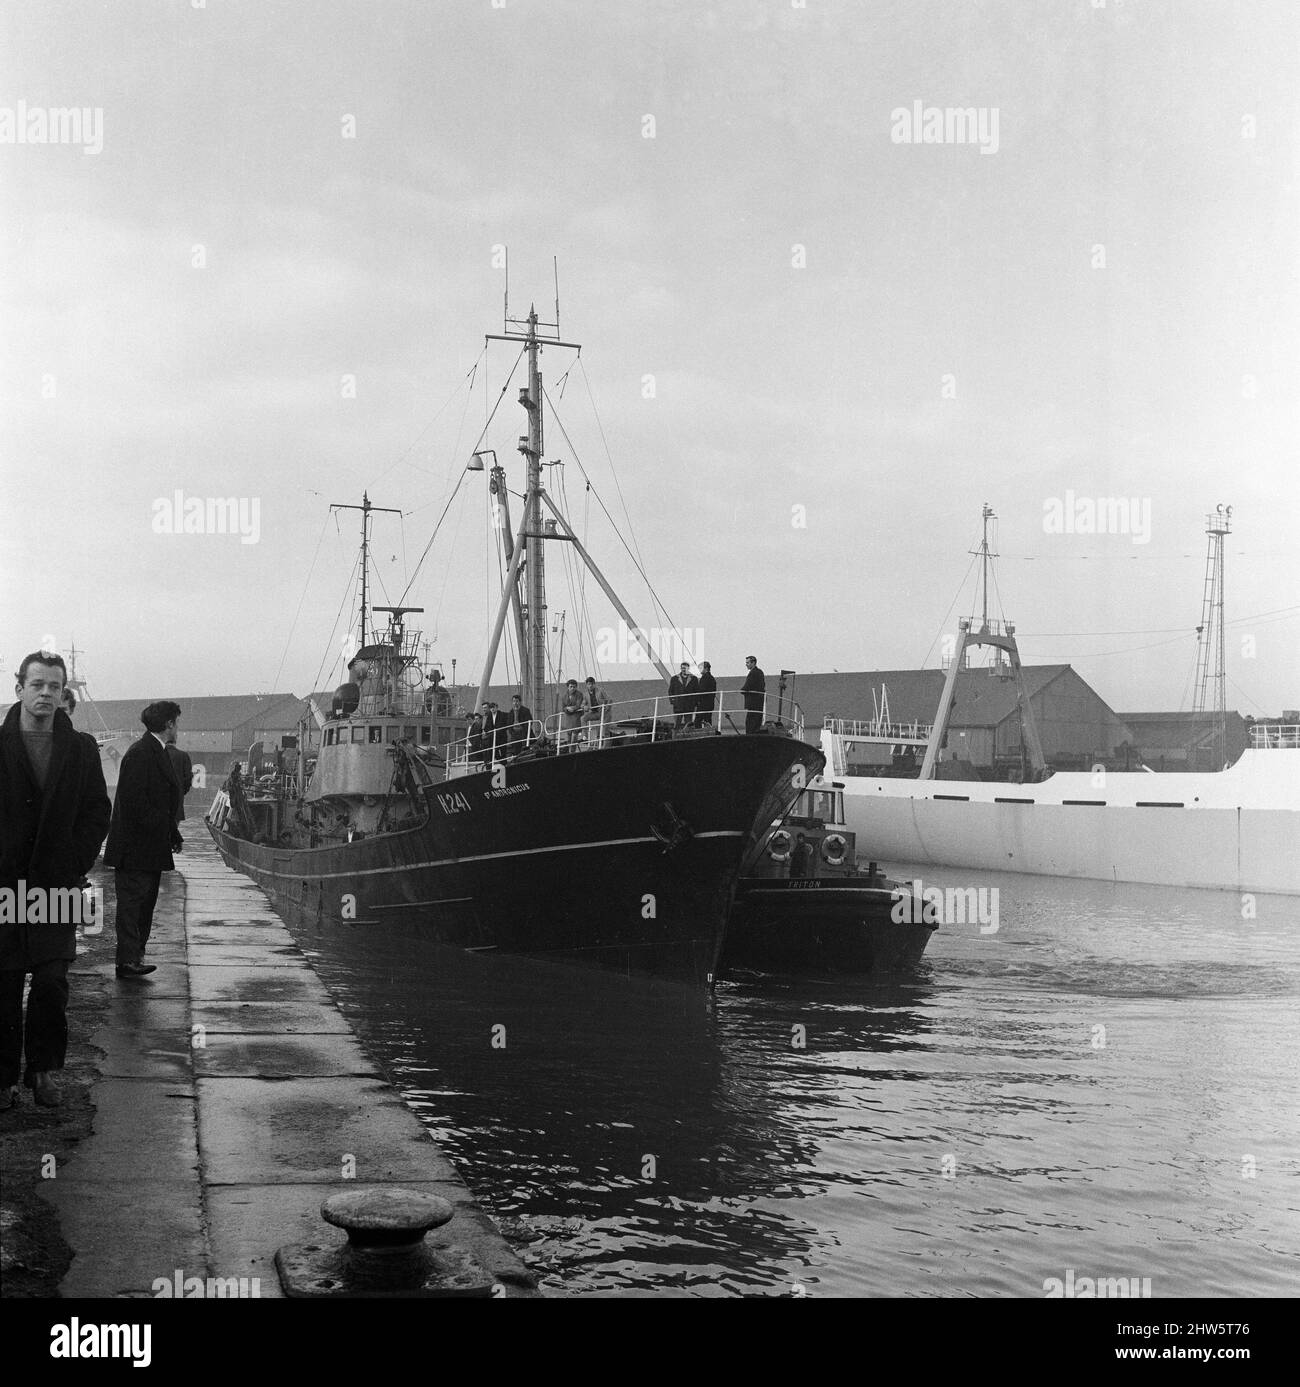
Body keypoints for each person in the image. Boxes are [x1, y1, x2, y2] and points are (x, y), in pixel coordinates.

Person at [1, 652, 111, 1109]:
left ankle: (43, 1070)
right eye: (37, 684)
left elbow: (96, 810)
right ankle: (3, 1078)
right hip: (4, 885)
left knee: (51, 982)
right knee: (4, 983)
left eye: (54, 686)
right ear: (19, 688)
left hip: (57, 885)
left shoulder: (81, 749)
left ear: (63, 693)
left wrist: (74, 861)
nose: (46, 693)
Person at [102, 702, 184, 980]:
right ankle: (127, 961)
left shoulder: (153, 751)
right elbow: (134, 802)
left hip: (148, 847)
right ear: (169, 724)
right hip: (135, 848)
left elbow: (160, 801)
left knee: (143, 905)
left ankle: (134, 956)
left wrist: (172, 833)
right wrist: (163, 829)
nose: (177, 728)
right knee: (132, 906)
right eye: (176, 723)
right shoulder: (140, 753)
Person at [166, 739, 194, 826]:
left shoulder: (154, 755)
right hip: (177, 800)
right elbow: (188, 778)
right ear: (175, 742)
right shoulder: (183, 756)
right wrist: (181, 791)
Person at [582, 677, 611, 746]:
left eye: (592, 684)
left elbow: (609, 699)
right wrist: (584, 707)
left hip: (604, 712)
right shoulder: (586, 694)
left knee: (604, 729)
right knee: (583, 718)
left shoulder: (600, 691)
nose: (590, 686)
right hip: (594, 713)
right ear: (586, 685)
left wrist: (607, 707)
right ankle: (585, 737)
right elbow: (583, 704)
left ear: (594, 684)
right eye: (588, 684)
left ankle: (606, 746)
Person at [668, 663, 698, 729]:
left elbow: (696, 691)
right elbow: (670, 691)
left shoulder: (694, 679)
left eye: (685, 668)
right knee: (677, 723)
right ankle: (675, 734)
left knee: (688, 723)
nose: (683, 670)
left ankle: (688, 734)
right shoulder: (674, 678)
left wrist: (695, 703)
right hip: (678, 705)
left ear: (688, 669)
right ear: (680, 668)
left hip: (689, 705)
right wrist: (673, 701)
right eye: (682, 668)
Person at [741, 655, 766, 734]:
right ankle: (755, 735)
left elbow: (748, 685)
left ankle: (750, 736)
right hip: (758, 702)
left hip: (753, 702)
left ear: (753, 663)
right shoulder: (760, 672)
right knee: (756, 721)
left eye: (748, 663)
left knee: (750, 722)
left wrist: (742, 690)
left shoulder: (753, 673)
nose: (746, 664)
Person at [560, 680, 584, 751]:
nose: (572, 688)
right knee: (569, 735)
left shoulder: (579, 694)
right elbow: (563, 707)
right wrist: (567, 708)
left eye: (574, 687)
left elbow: (578, 705)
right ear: (568, 687)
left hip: (576, 716)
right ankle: (568, 751)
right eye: (571, 687)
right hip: (568, 717)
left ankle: (573, 751)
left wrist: (572, 708)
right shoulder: (564, 696)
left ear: (576, 687)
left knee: (575, 735)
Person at [694, 661, 717, 728]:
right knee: (707, 720)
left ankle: (699, 733)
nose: (699, 670)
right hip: (709, 704)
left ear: (706, 668)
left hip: (703, 704)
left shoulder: (705, 678)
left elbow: (702, 690)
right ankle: (709, 732)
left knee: (698, 721)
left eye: (701, 668)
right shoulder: (711, 678)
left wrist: (696, 696)